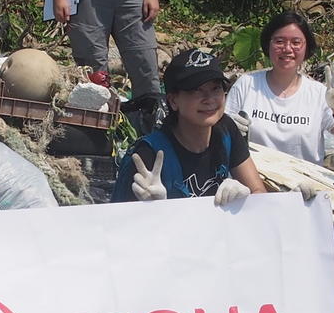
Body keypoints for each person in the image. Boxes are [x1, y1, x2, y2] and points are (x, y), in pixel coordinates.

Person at [113, 49, 267, 204]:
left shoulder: (226, 129)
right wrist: (153, 207)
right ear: (173, 101)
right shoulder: (149, 155)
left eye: (216, 88)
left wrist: (245, 198)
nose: (209, 99)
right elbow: (121, 217)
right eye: (196, 90)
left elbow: (259, 192)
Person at [225, 10, 334, 164]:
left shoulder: (318, 93)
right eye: (279, 41)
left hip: (304, 178)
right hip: (254, 176)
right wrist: (228, 127)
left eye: (296, 42)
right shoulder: (246, 85)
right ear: (267, 44)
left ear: (306, 47)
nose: (287, 49)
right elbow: (219, 133)